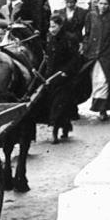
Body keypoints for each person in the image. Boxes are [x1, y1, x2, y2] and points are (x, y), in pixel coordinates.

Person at [42, 13, 84, 143]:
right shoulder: (50, 38)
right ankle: (63, 126)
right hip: (52, 76)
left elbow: (75, 59)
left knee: (60, 104)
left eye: (54, 27)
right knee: (53, 103)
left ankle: (55, 131)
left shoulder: (69, 39)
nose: (51, 29)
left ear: (60, 26)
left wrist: (66, 71)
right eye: (50, 27)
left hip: (66, 77)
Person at [84, 0, 110, 121]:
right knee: (94, 80)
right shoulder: (91, 16)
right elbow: (87, 33)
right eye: (101, 3)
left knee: (104, 81)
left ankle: (102, 109)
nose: (103, 6)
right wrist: (85, 46)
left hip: (106, 54)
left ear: (109, 5)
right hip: (92, 53)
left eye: (105, 4)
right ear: (96, 4)